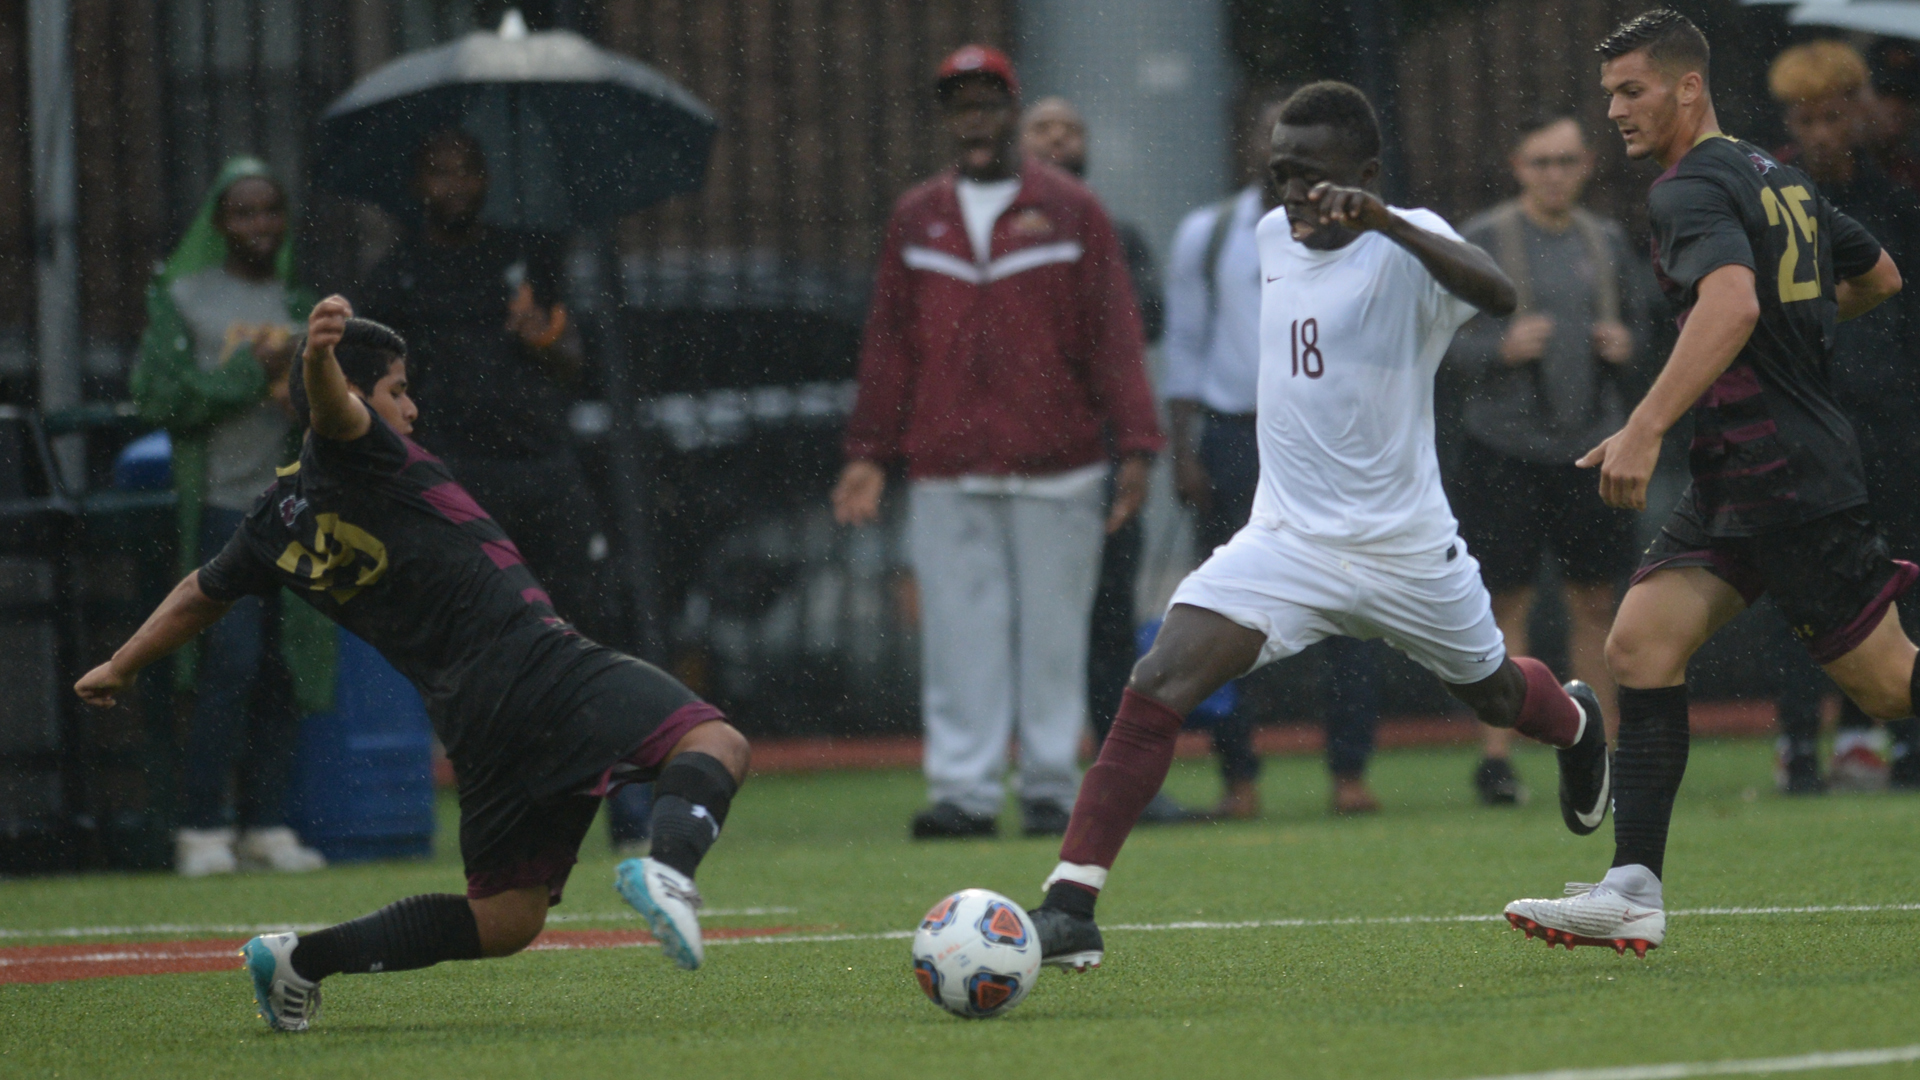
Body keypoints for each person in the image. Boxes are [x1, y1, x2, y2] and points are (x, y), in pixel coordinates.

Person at [1023, 81, 1610, 972]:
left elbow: (1493, 294)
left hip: (1403, 548)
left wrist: (1385, 221)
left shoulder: (1408, 242)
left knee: (1493, 693)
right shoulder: (1267, 235)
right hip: (1286, 541)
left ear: (1365, 175)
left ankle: (1573, 723)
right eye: (1278, 173)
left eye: (1310, 175)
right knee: (1159, 679)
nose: (1291, 192)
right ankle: (1071, 903)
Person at [77, 297, 750, 1031]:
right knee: (713, 740)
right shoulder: (360, 447)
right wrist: (316, 359)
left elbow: (199, 593)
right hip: (532, 660)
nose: (413, 408)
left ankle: (301, 961)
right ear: (361, 396)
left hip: (469, 711)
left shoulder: (274, 520)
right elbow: (335, 415)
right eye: (399, 389)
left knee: (506, 919)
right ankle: (672, 874)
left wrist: (120, 662)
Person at [1505, 10, 1908, 957]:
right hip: (1747, 471)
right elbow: (1879, 275)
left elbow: (1730, 299)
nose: (1615, 111)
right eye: (1608, 94)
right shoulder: (1781, 175)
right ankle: (1633, 888)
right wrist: (1789, 344)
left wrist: (1643, 427)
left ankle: (1633, 882)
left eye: (1632, 90)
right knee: (1640, 644)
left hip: (1784, 475)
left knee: (1890, 688)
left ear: (1690, 86)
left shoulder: (1688, 190)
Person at [833, 46, 1164, 840]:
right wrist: (869, 453)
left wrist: (1140, 447)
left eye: (987, 104)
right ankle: (965, 793)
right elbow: (889, 343)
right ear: (948, 121)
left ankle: (1050, 786)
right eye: (961, 107)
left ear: (1011, 113)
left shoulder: (1073, 208)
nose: (974, 120)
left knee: (1055, 636)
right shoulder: (917, 216)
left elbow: (1115, 335)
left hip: (1062, 465)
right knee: (956, 636)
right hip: (948, 465)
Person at [1162, 99, 1386, 817]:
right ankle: (1240, 779)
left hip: (1331, 441)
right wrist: (1182, 450)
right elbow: (1186, 346)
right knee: (1229, 614)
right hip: (1236, 438)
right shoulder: (1211, 232)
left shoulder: (1359, 232)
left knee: (1352, 609)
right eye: (1273, 138)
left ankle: (1348, 773)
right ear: (1253, 146)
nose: (1286, 155)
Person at [130, 156, 330, 878]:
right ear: (219, 221)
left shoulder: (300, 300)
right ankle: (201, 828)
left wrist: (298, 396)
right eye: (243, 212)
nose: (258, 224)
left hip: (291, 510)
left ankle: (266, 825)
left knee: (285, 669)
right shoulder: (182, 295)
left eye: (270, 210)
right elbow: (160, 399)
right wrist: (252, 370)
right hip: (219, 508)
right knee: (229, 665)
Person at [1447, 114, 1646, 806]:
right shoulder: (1483, 237)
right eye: (1541, 162)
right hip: (1502, 445)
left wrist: (1627, 345)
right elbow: (1440, 342)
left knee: (1597, 599)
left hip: (1590, 444)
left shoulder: (1609, 240)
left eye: (1566, 161)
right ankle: (1496, 757)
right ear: (1518, 165)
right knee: (1505, 599)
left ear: (1588, 163)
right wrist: (1497, 349)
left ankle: (1607, 746)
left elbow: (1651, 333)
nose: (1554, 174)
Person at [1019, 95, 1204, 825]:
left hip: (1095, 464)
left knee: (1104, 623)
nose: (1061, 140)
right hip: (1013, 466)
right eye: (1045, 130)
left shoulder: (1112, 233)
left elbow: (1146, 320)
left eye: (1073, 129)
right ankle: (1035, 782)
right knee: (1025, 625)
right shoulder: (991, 236)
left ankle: (1111, 781)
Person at [359, 128, 617, 645]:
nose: (456, 184)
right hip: (449, 465)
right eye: (441, 171)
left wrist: (541, 335)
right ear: (417, 183)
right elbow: (373, 383)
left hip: (538, 462)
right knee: (470, 613)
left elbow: (575, 365)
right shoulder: (395, 277)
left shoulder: (526, 259)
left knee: (567, 609)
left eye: (467, 170)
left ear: (486, 178)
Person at [1767, 40, 1920, 792]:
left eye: (1834, 115)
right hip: (1810, 418)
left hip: (1891, 422)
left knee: (1902, 573)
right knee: (1802, 583)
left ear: (1856, 113)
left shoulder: (1897, 203)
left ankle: (1903, 745)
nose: (1822, 131)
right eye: (1808, 117)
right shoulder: (1774, 199)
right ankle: (1799, 745)